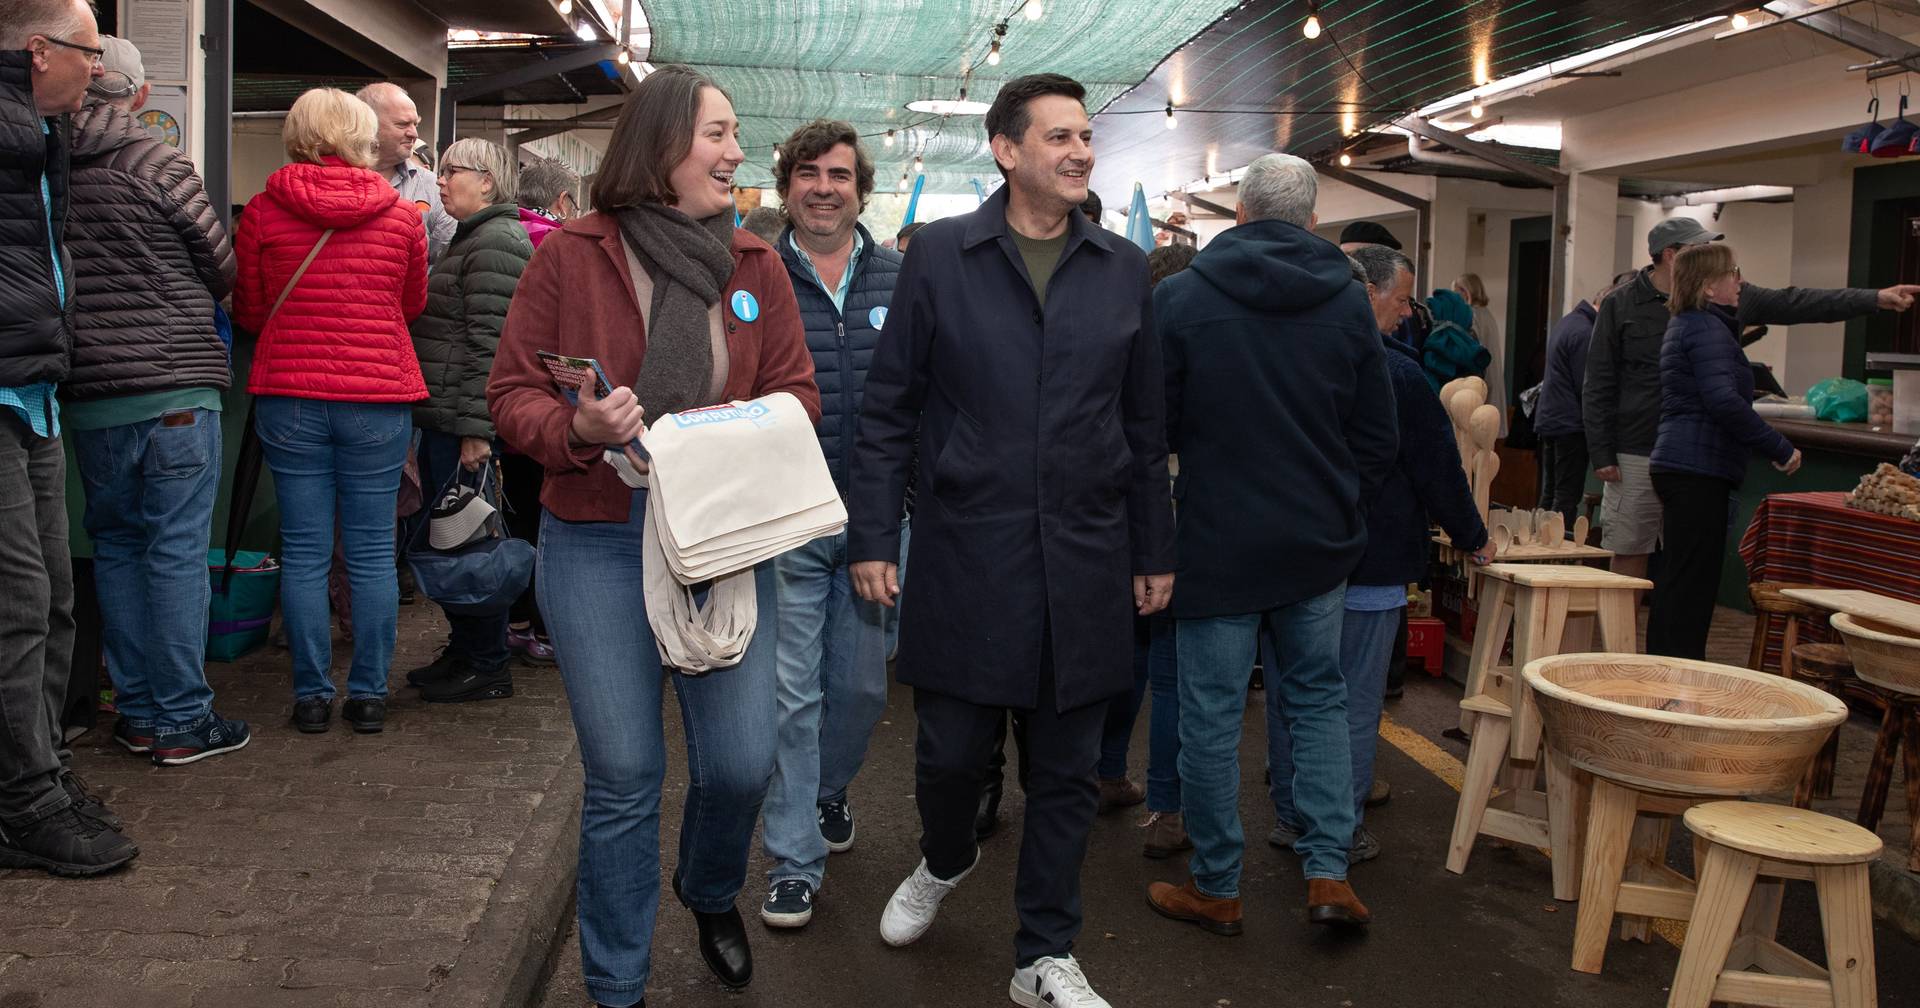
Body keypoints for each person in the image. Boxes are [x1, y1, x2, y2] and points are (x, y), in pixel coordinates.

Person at [487, 65, 818, 1008]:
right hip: (596, 535)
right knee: (627, 773)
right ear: (664, 144)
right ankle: (617, 985)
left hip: (718, 541)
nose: (736, 152)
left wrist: (722, 436)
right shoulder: (571, 255)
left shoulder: (755, 265)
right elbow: (511, 392)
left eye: (734, 133)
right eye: (718, 133)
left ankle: (711, 889)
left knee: (745, 761)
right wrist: (576, 433)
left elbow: (797, 393)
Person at [849, 72, 1173, 1008]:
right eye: (1060, 136)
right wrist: (874, 532)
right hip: (968, 554)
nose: (1080, 151)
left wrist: (1155, 550)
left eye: (1086, 138)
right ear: (1006, 149)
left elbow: (1145, 428)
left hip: (1088, 559)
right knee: (950, 757)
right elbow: (889, 408)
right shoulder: (943, 257)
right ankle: (944, 860)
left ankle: (1044, 954)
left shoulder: (1121, 269)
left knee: (1067, 774)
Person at [1146, 153, 1395, 937]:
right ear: (1313, 220)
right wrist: (1336, 501)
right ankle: (1328, 874)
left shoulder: (1181, 299)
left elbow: (1151, 429)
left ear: (1241, 215)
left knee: (1212, 716)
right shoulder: (1350, 305)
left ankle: (1218, 886)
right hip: (1316, 544)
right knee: (1319, 702)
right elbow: (1377, 436)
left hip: (1217, 540)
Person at [1265, 244, 1489, 866]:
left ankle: (1291, 815)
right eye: (1400, 301)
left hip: (1287, 564)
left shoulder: (1285, 358)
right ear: (1367, 295)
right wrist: (1473, 536)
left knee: (1293, 697)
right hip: (1367, 562)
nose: (1406, 314)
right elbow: (1438, 472)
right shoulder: (1398, 375)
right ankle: (1337, 829)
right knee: (1351, 703)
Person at [64, 35, 247, 766]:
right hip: (173, 383)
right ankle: (180, 720)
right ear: (139, 96)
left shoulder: (44, 165)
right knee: (175, 551)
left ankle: (137, 713)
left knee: (116, 546)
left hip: (91, 391)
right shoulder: (158, 161)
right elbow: (219, 264)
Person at [234, 87, 428, 735]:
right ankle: (369, 695)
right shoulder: (402, 217)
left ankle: (311, 696)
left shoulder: (263, 212)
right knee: (374, 554)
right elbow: (411, 306)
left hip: (290, 398)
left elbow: (253, 312)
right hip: (376, 400)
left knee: (306, 551)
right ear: (361, 136)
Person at [1583, 218, 1918, 581]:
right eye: (1700, 248)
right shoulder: (1622, 302)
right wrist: (1601, 451)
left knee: (1685, 560)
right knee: (1631, 550)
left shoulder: (1731, 295)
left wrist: (1874, 298)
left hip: (1700, 456)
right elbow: (1599, 380)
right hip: (1637, 447)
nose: (1713, 257)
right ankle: (1622, 639)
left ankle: (1667, 637)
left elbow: (1798, 302)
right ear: (1670, 255)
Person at [0, 0, 138, 878]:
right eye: (90, 54)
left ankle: (38, 773)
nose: (101, 70)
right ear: (39, 49)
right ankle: (23, 803)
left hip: (34, 392)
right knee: (16, 607)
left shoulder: (44, 136)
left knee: (52, 600)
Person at [758, 118, 902, 929]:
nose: (823, 187)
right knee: (790, 697)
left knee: (857, 686)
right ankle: (792, 857)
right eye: (808, 173)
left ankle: (825, 788)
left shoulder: (902, 278)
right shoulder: (752, 274)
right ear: (786, 186)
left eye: (839, 175)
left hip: (879, 523)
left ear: (860, 188)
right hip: (786, 522)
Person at [975, 185, 1121, 843]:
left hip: (1078, 533)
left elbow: (1138, 419)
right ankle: (979, 790)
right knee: (992, 676)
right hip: (991, 528)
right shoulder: (975, 269)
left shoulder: (1117, 281)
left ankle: (1048, 793)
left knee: (1054, 684)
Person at [402, 138, 533, 705]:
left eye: (451, 171)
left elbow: (492, 345)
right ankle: (467, 648)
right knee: (454, 538)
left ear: (487, 180)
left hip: (463, 425)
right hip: (450, 418)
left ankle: (485, 661)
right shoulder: (475, 237)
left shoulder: (495, 242)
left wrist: (478, 429)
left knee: (471, 542)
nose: (440, 180)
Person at [1646, 245, 1803, 659]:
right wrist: (1778, 446)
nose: (1740, 281)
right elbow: (1724, 402)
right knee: (1691, 586)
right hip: (1697, 467)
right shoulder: (1707, 329)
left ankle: (1666, 672)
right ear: (1709, 286)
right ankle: (1679, 679)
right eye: (1733, 273)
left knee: (1680, 580)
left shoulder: (1692, 325)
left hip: (1685, 463)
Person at [499, 155, 581, 665]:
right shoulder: (563, 250)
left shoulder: (500, 238)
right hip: (556, 416)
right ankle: (548, 630)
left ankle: (517, 622)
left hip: (512, 414)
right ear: (563, 201)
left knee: (516, 521)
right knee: (548, 527)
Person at [1534, 272, 1635, 526]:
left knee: (1550, 494)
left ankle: (1539, 550)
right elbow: (1588, 386)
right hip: (1569, 424)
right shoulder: (1587, 333)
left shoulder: (1569, 321)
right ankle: (1555, 557)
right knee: (1565, 497)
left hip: (1552, 418)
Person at [355, 81, 455, 260]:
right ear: (369, 125)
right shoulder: (334, 180)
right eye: (402, 125)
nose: (414, 134)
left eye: (415, 124)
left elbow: (444, 260)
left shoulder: (432, 186)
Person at [1454, 272, 1506, 435]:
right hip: (1490, 378)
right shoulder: (1486, 314)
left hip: (1480, 382)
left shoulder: (1472, 315)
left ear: (1465, 291)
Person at [516, 155, 580, 249]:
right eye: (574, 206)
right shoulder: (563, 245)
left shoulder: (499, 230)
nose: (575, 217)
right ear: (562, 202)